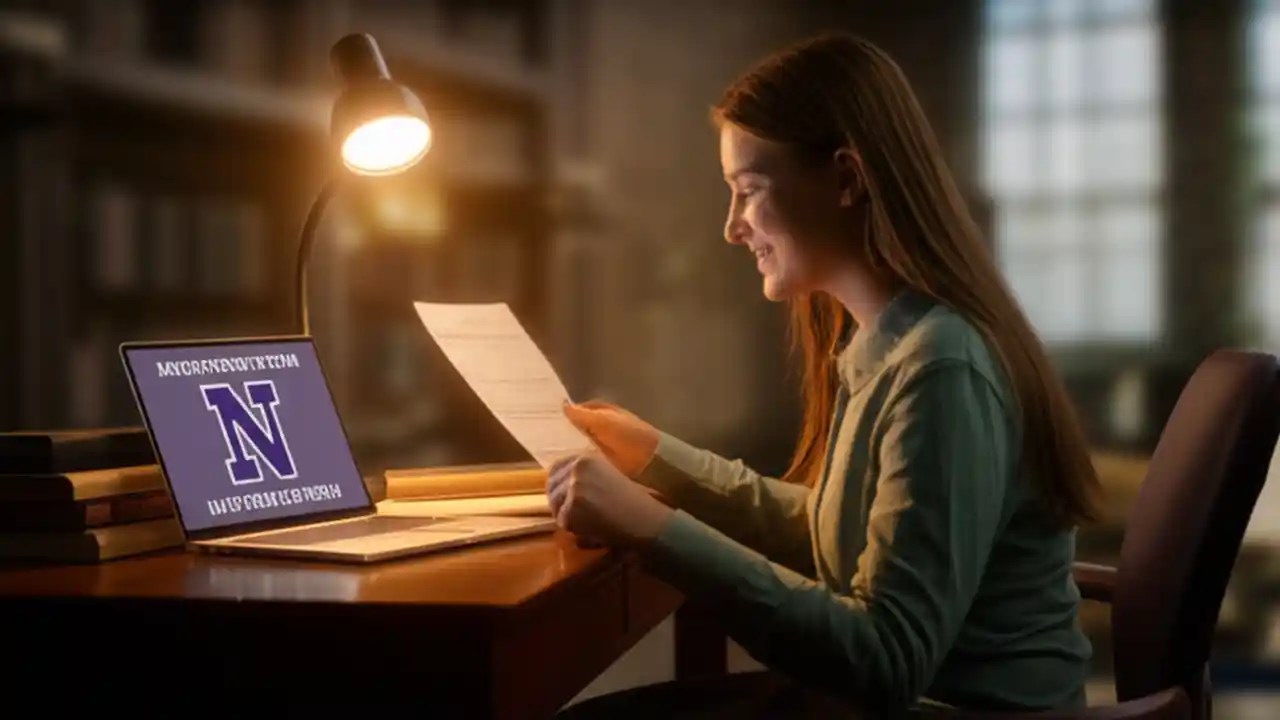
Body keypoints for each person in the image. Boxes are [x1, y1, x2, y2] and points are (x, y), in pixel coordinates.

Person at [547, 31, 1101, 719]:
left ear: (845, 179)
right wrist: (657, 458)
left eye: (748, 191)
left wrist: (652, 528)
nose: (732, 228)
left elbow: (887, 661)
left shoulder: (942, 367)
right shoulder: (885, 342)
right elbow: (831, 526)